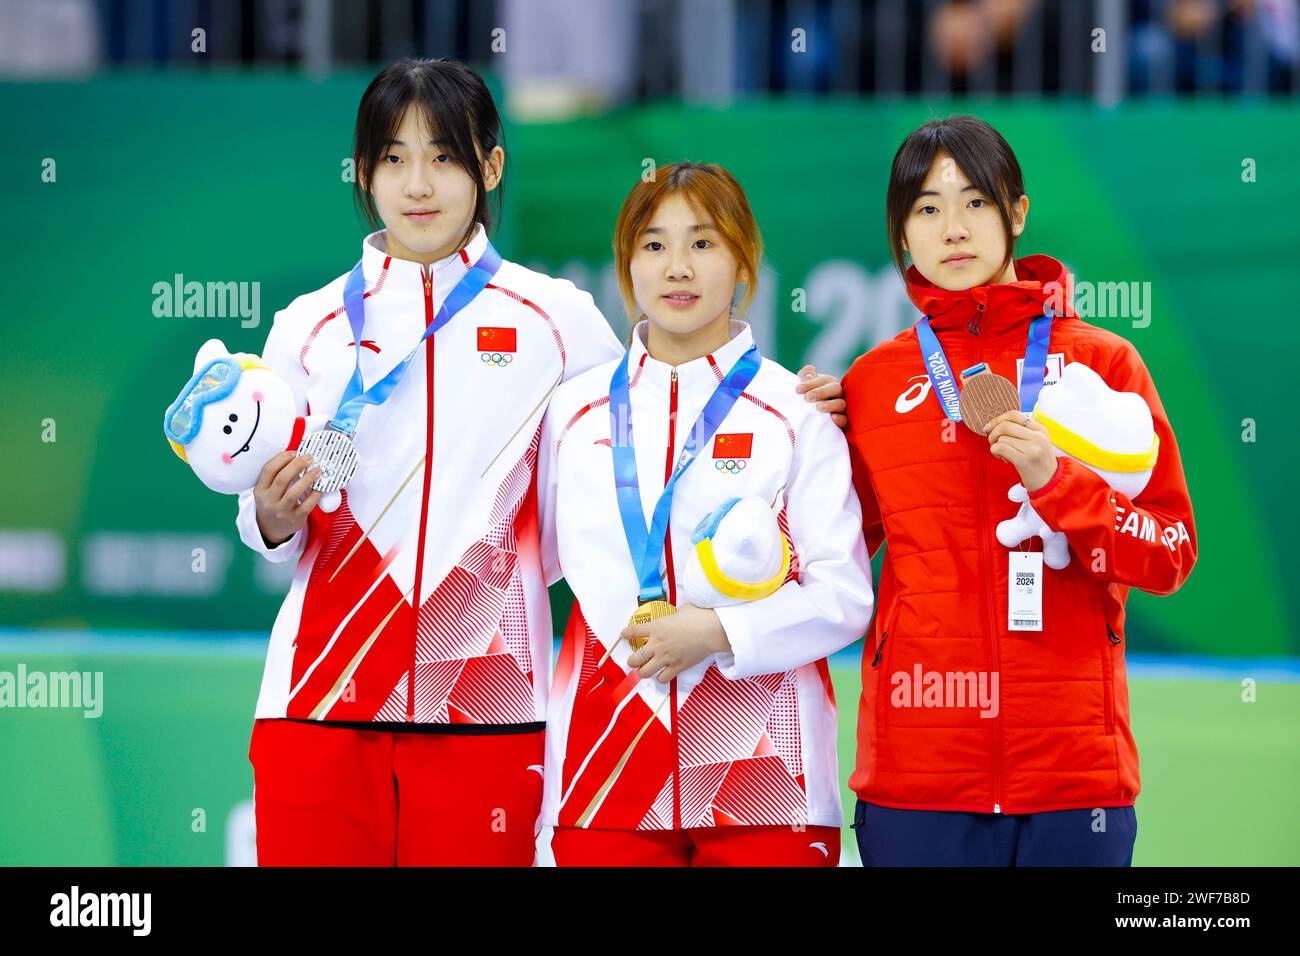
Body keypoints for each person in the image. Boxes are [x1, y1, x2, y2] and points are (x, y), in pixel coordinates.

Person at [238, 59, 849, 866]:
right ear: (362, 172)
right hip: (318, 696)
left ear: (490, 167)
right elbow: (262, 507)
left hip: (486, 707)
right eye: (393, 158)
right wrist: (268, 519)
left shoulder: (557, 321)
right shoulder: (307, 326)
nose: (417, 184)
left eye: (444, 156)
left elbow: (636, 454)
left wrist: (805, 408)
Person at [841, 115, 1197, 866]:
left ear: (1018, 212)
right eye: (927, 208)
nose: (953, 228)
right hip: (920, 776)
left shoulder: (1105, 365)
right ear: (901, 234)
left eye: (975, 201)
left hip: (1075, 777)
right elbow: (819, 559)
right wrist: (792, 434)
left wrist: (1059, 483)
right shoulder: (870, 384)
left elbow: (1170, 553)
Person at [538, 162, 874, 866]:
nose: (677, 267)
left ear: (743, 261)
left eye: (703, 242)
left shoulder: (795, 413)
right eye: (654, 245)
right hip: (604, 772)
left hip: (767, 776)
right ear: (627, 263)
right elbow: (521, 563)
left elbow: (843, 597)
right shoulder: (572, 411)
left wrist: (720, 632)